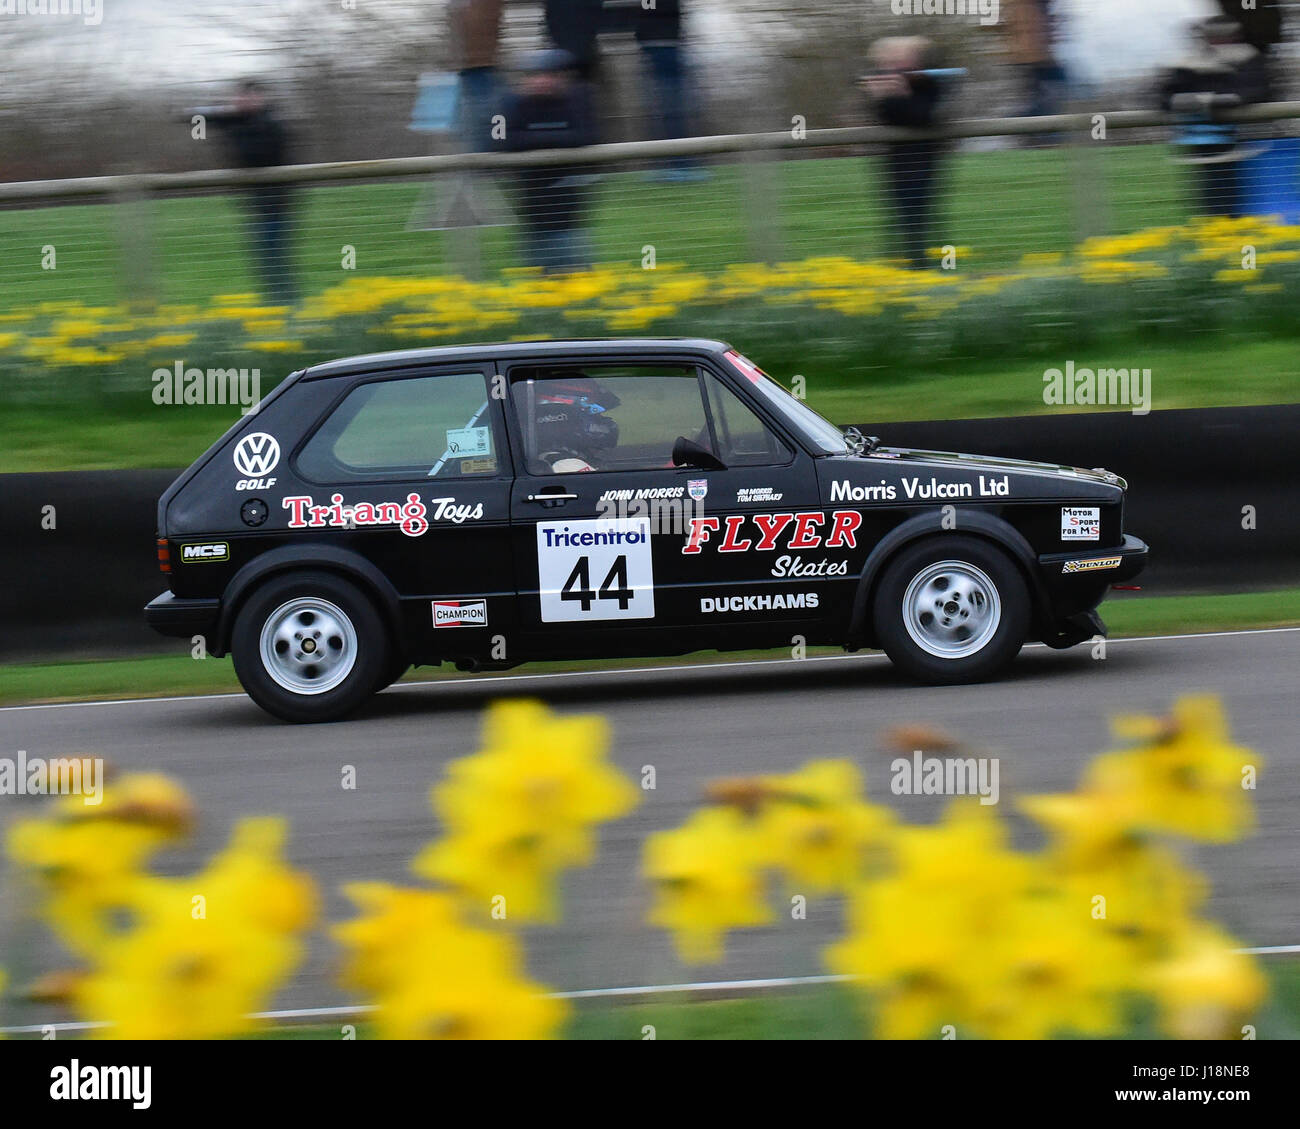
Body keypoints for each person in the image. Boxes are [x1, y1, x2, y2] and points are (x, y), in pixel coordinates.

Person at [1158, 16, 1272, 218]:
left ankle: (1225, 230)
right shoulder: (1189, 62)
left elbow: (1257, 91)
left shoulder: (1247, 58)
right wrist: (1195, 100)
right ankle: (1217, 231)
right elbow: (1164, 97)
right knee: (1210, 191)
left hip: (1237, 139)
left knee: (1232, 190)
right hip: (1201, 140)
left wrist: (1218, 100)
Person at [197, 80, 298, 306]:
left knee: (274, 259)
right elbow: (200, 119)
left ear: (260, 99)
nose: (242, 102)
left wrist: (231, 128)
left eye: (248, 98)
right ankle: (279, 305)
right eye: (239, 98)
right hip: (259, 203)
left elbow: (253, 157)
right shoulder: (244, 121)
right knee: (266, 260)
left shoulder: (269, 123)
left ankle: (286, 306)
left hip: (274, 204)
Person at [501, 50, 599, 273]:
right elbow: (502, 140)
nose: (541, 80)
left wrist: (532, 142)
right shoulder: (511, 103)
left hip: (568, 203)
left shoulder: (579, 99)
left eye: (549, 74)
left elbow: (585, 137)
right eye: (534, 75)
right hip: (532, 205)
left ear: (562, 78)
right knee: (538, 276)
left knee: (576, 272)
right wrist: (556, 142)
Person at [859, 37, 949, 270]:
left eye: (900, 59)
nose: (894, 65)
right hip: (896, 164)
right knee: (901, 223)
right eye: (889, 61)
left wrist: (898, 95)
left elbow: (923, 117)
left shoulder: (930, 83)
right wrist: (881, 97)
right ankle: (907, 271)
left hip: (924, 162)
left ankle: (931, 270)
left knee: (925, 220)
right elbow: (885, 119)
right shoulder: (885, 83)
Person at [449, 0, 507, 152]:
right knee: (478, 129)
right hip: (473, 73)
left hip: (482, 72)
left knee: (491, 128)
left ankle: (493, 160)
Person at [529, 377, 621, 472]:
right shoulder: (567, 465)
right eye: (595, 414)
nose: (603, 421)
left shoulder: (557, 459)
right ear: (560, 416)